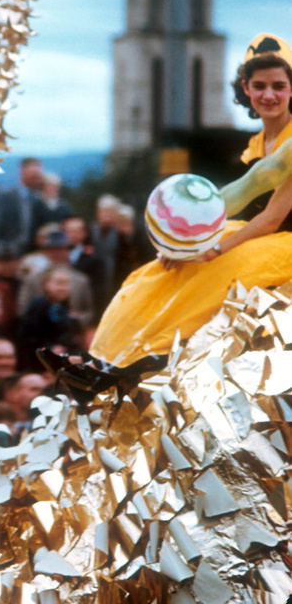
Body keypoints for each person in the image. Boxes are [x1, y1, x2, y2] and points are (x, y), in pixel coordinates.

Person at [59, 33, 292, 384]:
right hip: (263, 231)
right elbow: (238, 194)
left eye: (278, 86)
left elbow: (271, 215)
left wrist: (213, 248)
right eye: (259, 86)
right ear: (246, 89)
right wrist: (181, 243)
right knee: (154, 272)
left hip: (280, 238)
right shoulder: (259, 141)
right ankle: (103, 360)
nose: (269, 95)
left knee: (217, 270)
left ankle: (147, 360)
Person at [16, 266, 85, 370]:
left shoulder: (64, 306)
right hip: (38, 362)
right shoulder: (39, 305)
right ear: (46, 285)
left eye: (66, 284)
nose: (63, 288)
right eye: (58, 283)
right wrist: (50, 348)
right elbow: (27, 337)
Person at [0, 158, 50, 258]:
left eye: (38, 176)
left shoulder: (40, 197)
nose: (36, 179)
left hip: (34, 252)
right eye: (33, 176)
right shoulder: (6, 196)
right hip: (10, 252)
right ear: (22, 173)